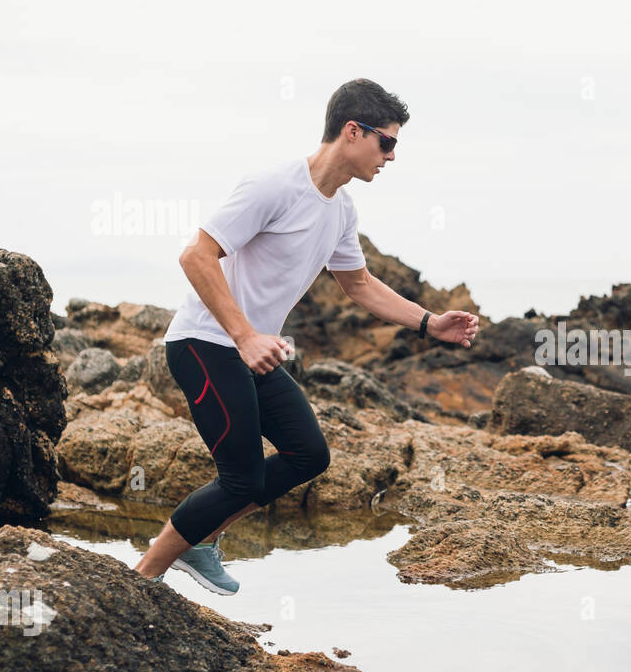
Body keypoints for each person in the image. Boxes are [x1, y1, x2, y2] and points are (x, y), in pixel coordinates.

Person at [134, 78, 479, 593]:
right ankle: (141, 579)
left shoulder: (340, 209)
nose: (390, 157)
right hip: (205, 344)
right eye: (387, 143)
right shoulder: (274, 184)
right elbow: (196, 256)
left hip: (249, 352)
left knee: (308, 454)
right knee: (242, 479)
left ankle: (201, 543)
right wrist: (246, 335)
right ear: (352, 132)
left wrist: (429, 322)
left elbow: (359, 285)